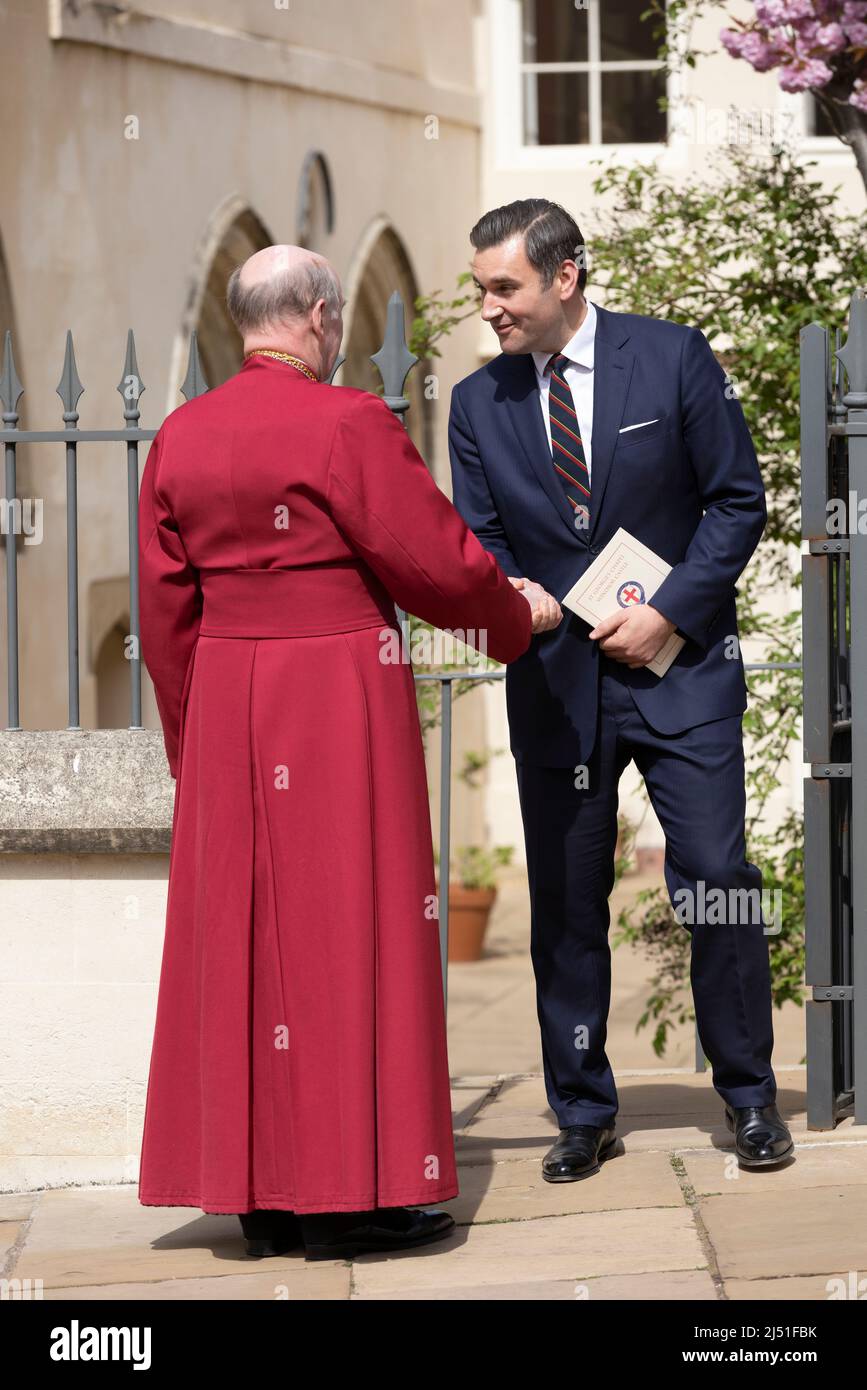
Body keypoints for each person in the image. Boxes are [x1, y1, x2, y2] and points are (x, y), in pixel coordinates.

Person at [136, 243, 563, 1261]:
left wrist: (193, 744)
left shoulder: (182, 434)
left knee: (248, 948)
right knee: (349, 927)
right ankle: (351, 1197)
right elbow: (433, 559)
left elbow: (162, 612)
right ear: (324, 316)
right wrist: (515, 614)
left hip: (230, 691)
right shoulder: (346, 420)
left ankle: (264, 1198)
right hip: (335, 687)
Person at [448, 199, 794, 1180]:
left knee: (719, 881)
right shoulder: (478, 403)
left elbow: (738, 499)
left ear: (565, 277)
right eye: (481, 289)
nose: (490, 309)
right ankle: (583, 1112)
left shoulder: (675, 358)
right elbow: (484, 542)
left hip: (680, 670)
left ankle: (751, 1099)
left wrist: (672, 612)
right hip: (557, 684)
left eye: (503, 287)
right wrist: (524, 600)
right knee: (564, 902)